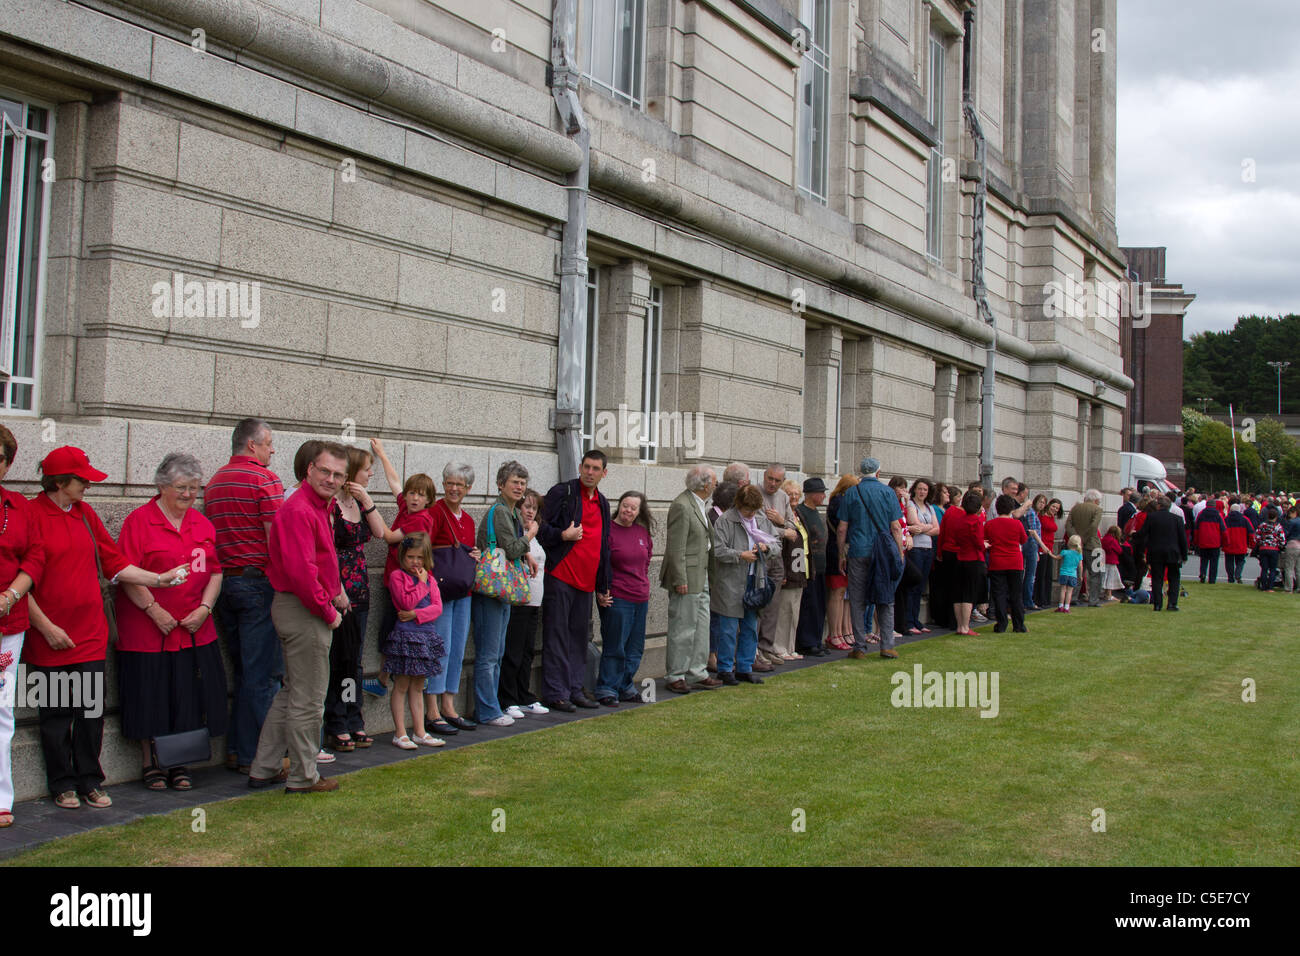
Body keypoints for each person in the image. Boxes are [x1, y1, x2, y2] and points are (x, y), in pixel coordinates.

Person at [25, 446, 189, 809]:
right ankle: (62, 783)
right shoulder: (30, 514)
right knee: (54, 715)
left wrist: (157, 579)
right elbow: (21, 581)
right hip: (48, 635)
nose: (87, 485)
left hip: (89, 634)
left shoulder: (86, 514)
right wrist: (47, 627)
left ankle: (89, 779)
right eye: (82, 479)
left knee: (89, 714)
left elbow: (114, 563)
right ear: (60, 481)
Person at [116, 454, 228, 792]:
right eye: (181, 488)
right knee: (151, 694)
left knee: (187, 693)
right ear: (162, 486)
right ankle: (151, 763)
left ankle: (180, 761)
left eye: (194, 488)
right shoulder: (139, 522)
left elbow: (216, 572)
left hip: (193, 628)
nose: (189, 495)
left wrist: (206, 608)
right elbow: (124, 573)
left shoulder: (202, 523)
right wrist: (153, 609)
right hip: (148, 630)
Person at [247, 441, 352, 794]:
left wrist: (335, 591)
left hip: (303, 605)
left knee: (292, 692)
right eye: (324, 471)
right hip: (303, 608)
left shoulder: (318, 506)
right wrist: (327, 610)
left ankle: (264, 768)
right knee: (308, 698)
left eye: (338, 474)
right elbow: (301, 573)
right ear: (309, 470)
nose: (330, 478)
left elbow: (319, 563)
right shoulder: (299, 509)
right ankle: (304, 777)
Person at [204, 418, 284, 775]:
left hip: (224, 584)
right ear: (253, 445)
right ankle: (259, 757)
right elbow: (275, 540)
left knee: (243, 671)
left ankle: (238, 750)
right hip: (258, 583)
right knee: (263, 675)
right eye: (268, 444)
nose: (272, 451)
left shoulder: (215, 481)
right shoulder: (265, 479)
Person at [322, 445, 399, 752]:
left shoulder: (359, 502)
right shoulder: (330, 506)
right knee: (336, 659)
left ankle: (354, 718)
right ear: (353, 472)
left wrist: (366, 499)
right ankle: (336, 721)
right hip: (336, 590)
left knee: (353, 661)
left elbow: (380, 532)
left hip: (359, 590)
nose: (371, 473)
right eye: (367, 469)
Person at [538, 450, 613, 712]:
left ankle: (574, 688)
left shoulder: (603, 503)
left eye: (596, 469)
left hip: (587, 582)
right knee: (557, 635)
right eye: (586, 467)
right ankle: (556, 693)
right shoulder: (563, 492)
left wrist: (603, 586)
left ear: (604, 473)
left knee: (579, 638)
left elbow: (604, 546)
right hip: (560, 576)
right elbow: (539, 527)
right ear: (580, 467)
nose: (590, 472)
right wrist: (563, 535)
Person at [0, 426, 44, 827]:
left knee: (1, 709)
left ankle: (1, 798)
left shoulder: (18, 507)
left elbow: (33, 558)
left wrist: (11, 595)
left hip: (8, 622)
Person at [474, 461, 539, 725]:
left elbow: (512, 549)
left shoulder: (511, 512)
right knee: (489, 654)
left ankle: (494, 706)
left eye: (523, 483)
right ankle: (487, 709)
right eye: (514, 482)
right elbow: (510, 548)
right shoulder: (500, 511)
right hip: (492, 589)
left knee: (497, 652)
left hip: (502, 589)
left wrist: (525, 554)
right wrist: (530, 536)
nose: (519, 487)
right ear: (501, 484)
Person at [426, 460, 482, 734]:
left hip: (464, 590)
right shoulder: (435, 512)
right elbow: (423, 548)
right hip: (441, 590)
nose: (454, 488)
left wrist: (475, 555)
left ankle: (449, 704)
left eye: (460, 484)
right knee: (442, 646)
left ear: (468, 488)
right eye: (450, 483)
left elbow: (468, 550)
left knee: (458, 647)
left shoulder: (469, 519)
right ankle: (432, 708)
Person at [837, 457, 906, 660]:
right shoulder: (887, 492)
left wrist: (841, 554)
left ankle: (859, 646)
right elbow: (896, 526)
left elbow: (842, 528)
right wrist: (899, 552)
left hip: (858, 551)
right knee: (885, 597)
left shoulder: (851, 492)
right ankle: (887, 645)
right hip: (882, 552)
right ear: (878, 473)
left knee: (857, 599)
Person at [661, 466, 721, 693]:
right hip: (687, 576)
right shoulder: (682, 505)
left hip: (702, 574)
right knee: (683, 627)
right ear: (705, 485)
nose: (716, 486)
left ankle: (697, 671)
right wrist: (679, 579)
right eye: (714, 482)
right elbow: (676, 548)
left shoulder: (699, 503)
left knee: (701, 626)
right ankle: (675, 674)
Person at [711, 484, 777, 684]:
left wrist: (766, 548)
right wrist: (740, 555)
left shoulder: (761, 520)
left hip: (754, 579)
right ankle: (724, 668)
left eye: (754, 510)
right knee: (728, 628)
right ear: (739, 505)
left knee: (750, 626)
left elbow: (777, 544)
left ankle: (745, 667)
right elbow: (718, 550)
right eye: (748, 510)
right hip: (730, 581)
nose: (751, 514)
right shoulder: (725, 521)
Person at [384, 533, 445, 748]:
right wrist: (420, 586)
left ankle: (420, 731)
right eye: (410, 557)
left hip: (425, 636)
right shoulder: (397, 577)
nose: (415, 562)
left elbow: (437, 608)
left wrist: (417, 615)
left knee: (419, 684)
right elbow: (405, 602)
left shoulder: (430, 578)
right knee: (402, 683)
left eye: (419, 558)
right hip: (405, 637)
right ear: (403, 557)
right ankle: (400, 732)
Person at [596, 491, 656, 703]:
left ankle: (625, 685)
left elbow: (646, 560)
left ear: (639, 512)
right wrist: (601, 590)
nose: (627, 511)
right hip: (617, 598)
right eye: (625, 505)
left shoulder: (642, 533)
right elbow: (600, 564)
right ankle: (607, 689)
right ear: (619, 505)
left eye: (633, 508)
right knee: (615, 645)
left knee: (634, 647)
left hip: (640, 598)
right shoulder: (608, 531)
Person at [498, 489, 550, 716]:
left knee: (528, 650)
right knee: (513, 650)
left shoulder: (535, 533)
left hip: (534, 599)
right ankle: (507, 698)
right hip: (518, 598)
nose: (530, 511)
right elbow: (512, 552)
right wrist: (528, 535)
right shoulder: (516, 531)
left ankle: (524, 693)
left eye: (534, 508)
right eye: (526, 506)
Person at [755, 465, 798, 669]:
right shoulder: (754, 493)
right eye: (770, 479)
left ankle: (766, 647)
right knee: (758, 604)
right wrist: (782, 531)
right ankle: (753, 650)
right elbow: (757, 527)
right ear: (764, 476)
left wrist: (781, 522)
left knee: (773, 605)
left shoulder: (782, 497)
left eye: (777, 481)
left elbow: (793, 527)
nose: (772, 483)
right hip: (761, 555)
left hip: (777, 556)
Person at [773, 479, 809, 661]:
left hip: (800, 569)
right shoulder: (781, 517)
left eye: (796, 493)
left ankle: (790, 646)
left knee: (794, 612)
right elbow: (780, 546)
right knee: (784, 611)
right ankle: (779, 646)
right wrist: (784, 572)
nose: (794, 496)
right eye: (790, 493)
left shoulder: (798, 515)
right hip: (788, 570)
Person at [705, 480, 738, 674]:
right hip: (714, 576)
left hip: (720, 577)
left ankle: (715, 653)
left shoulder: (718, 517)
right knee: (715, 619)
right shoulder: (715, 519)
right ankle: (711, 655)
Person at [942, 489, 986, 635]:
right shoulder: (976, 521)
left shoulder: (960, 520)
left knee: (958, 593)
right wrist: (984, 546)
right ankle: (965, 627)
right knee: (968, 594)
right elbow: (979, 543)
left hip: (960, 557)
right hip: (973, 558)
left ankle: (960, 625)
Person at [794, 477, 830, 656]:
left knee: (820, 604)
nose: (824, 496)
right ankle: (807, 641)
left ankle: (816, 638)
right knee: (810, 605)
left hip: (821, 565)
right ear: (811, 494)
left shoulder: (817, 512)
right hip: (809, 566)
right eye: (821, 493)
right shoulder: (801, 512)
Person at [1133, 497, 1187, 612]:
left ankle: (1157, 604)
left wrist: (1133, 535)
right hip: (1173, 552)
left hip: (1156, 552)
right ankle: (1172, 603)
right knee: (1174, 579)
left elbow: (1143, 533)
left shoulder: (1152, 517)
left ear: (1159, 506)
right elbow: (1183, 539)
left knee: (1157, 579)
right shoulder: (1177, 519)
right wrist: (1184, 555)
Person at [824, 474, 859, 648]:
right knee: (837, 593)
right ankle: (835, 633)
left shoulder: (842, 501)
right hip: (837, 551)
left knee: (844, 593)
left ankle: (843, 631)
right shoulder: (839, 502)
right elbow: (842, 528)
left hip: (843, 550)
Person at [984, 494, 1028, 633]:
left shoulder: (990, 524)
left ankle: (1001, 623)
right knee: (1016, 594)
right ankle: (1019, 624)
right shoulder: (1017, 523)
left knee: (999, 594)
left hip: (997, 561)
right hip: (1015, 561)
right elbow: (1023, 540)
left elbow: (986, 541)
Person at [903, 478, 939, 635]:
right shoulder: (911, 504)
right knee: (913, 585)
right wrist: (928, 527)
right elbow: (914, 523)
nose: (922, 492)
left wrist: (924, 528)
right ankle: (909, 620)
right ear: (914, 490)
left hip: (928, 548)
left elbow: (937, 529)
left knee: (921, 587)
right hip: (916, 548)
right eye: (920, 489)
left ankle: (916, 620)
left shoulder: (929, 507)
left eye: (925, 489)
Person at [1064, 490, 1104, 607]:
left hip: (1076, 546)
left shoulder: (1075, 508)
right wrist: (1084, 539)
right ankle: (1094, 600)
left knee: (1077, 572)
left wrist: (1077, 539)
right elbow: (1093, 527)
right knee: (1096, 574)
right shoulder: (1097, 509)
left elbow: (1068, 526)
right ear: (1096, 500)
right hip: (1093, 545)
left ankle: (1073, 597)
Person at [1193, 503, 1227, 584]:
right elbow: (1223, 530)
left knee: (1204, 560)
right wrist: (1225, 542)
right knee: (1214, 562)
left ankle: (1203, 573)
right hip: (1215, 541)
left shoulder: (1201, 514)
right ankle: (1212, 579)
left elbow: (1196, 529)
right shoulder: (1218, 515)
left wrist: (1196, 541)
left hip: (1203, 540)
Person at [1223, 502, 1254, 584]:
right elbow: (1251, 533)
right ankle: (1238, 574)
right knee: (1240, 561)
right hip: (1241, 543)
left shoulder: (1226, 519)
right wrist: (1252, 545)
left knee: (1229, 562)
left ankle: (1230, 577)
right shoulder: (1245, 519)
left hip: (1229, 544)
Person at [1254, 507, 1285, 591]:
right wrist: (1279, 545)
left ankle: (1263, 587)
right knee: (1272, 569)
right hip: (1274, 549)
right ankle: (1270, 587)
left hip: (1263, 548)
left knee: (1264, 569)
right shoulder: (1278, 527)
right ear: (1276, 516)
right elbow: (1282, 540)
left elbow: (1256, 537)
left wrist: (1261, 542)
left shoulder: (1262, 525)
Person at [1056, 535, 1082, 612]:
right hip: (1073, 575)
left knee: (1063, 590)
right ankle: (1067, 607)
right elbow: (1080, 566)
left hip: (1064, 573)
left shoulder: (1065, 552)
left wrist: (1050, 554)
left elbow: (1057, 557)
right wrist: (1080, 575)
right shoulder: (1079, 554)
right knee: (1069, 592)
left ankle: (1060, 606)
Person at [1100, 525, 1123, 600]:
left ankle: (1104, 594)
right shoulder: (1113, 540)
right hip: (1112, 561)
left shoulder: (1104, 539)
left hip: (1104, 561)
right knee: (1110, 579)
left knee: (1104, 578)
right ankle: (1109, 595)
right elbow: (1119, 550)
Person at [1281, 504, 1300, 593]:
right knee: (1298, 568)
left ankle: (1289, 588)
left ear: (1294, 513)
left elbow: (1287, 533)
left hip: (1292, 544)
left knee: (1289, 568)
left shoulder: (1292, 522)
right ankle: (1299, 587)